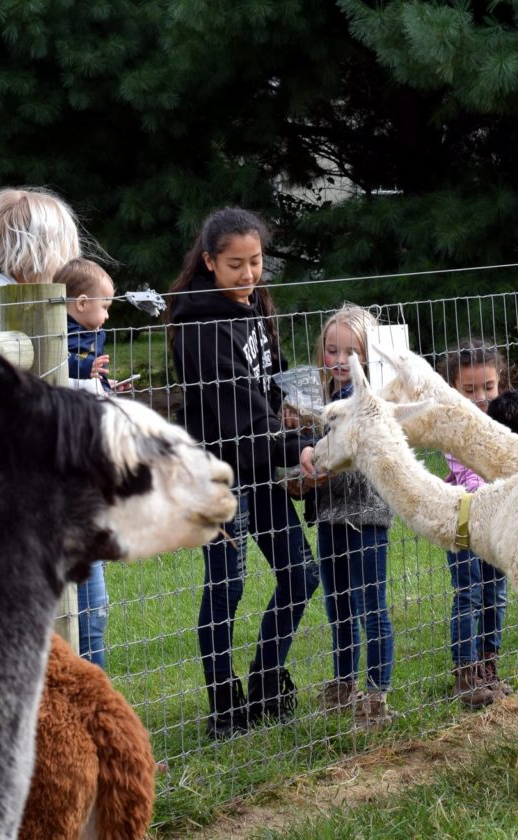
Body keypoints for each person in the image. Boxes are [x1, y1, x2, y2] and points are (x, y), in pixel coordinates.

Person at [164, 207, 321, 739]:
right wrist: (301, 447)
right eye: (235, 264)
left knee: (301, 575)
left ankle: (266, 681)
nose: (249, 273)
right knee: (226, 587)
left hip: (259, 461)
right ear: (209, 261)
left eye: (256, 261)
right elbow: (242, 421)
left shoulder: (251, 305)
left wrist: (296, 410)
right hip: (221, 475)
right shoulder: (202, 327)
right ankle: (223, 704)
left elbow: (268, 382)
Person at [0, 187, 110, 668]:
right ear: (40, 246)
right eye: (65, 246)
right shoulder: (0, 310)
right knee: (67, 635)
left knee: (85, 620)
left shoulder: (26, 304)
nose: (71, 260)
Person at [292, 304, 395, 728]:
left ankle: (376, 695)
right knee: (338, 607)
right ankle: (342, 684)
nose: (339, 360)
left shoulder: (375, 401)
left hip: (367, 517)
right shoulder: (317, 400)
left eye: (350, 352)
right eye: (332, 350)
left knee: (371, 606)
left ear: (368, 355)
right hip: (331, 516)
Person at [437, 339, 514, 708]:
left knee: (494, 592)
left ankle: (488, 666)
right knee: (468, 592)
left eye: (488, 387)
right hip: (465, 517)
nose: (480, 398)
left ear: (500, 383)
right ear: (454, 389)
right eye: (469, 390)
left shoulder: (505, 421)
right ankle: (466, 675)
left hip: (497, 519)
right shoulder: (454, 426)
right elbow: (468, 474)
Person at [57, 257, 116, 391]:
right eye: (105, 307)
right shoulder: (60, 333)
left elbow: (97, 370)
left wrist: (105, 386)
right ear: (82, 303)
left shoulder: (96, 333)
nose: (107, 316)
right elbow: (56, 362)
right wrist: (86, 367)